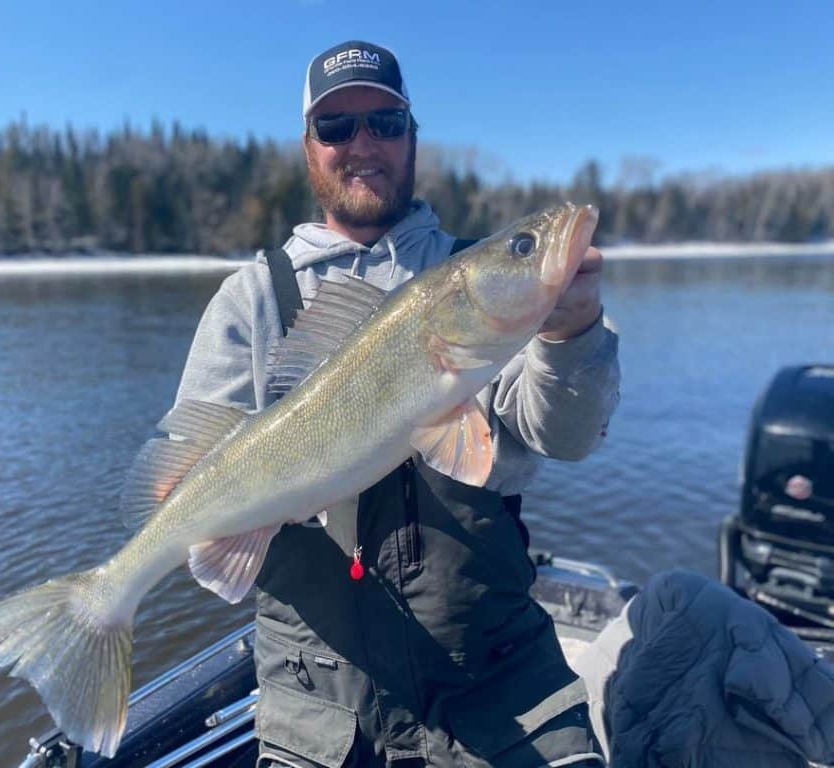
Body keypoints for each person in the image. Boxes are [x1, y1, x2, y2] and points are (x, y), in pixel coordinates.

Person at [173, 40, 620, 768]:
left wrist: (572, 333)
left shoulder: (478, 285)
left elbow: (566, 437)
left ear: (412, 135)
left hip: (500, 683)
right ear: (309, 147)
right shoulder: (249, 299)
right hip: (315, 704)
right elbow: (190, 471)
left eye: (384, 121)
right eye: (336, 127)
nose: (362, 145)